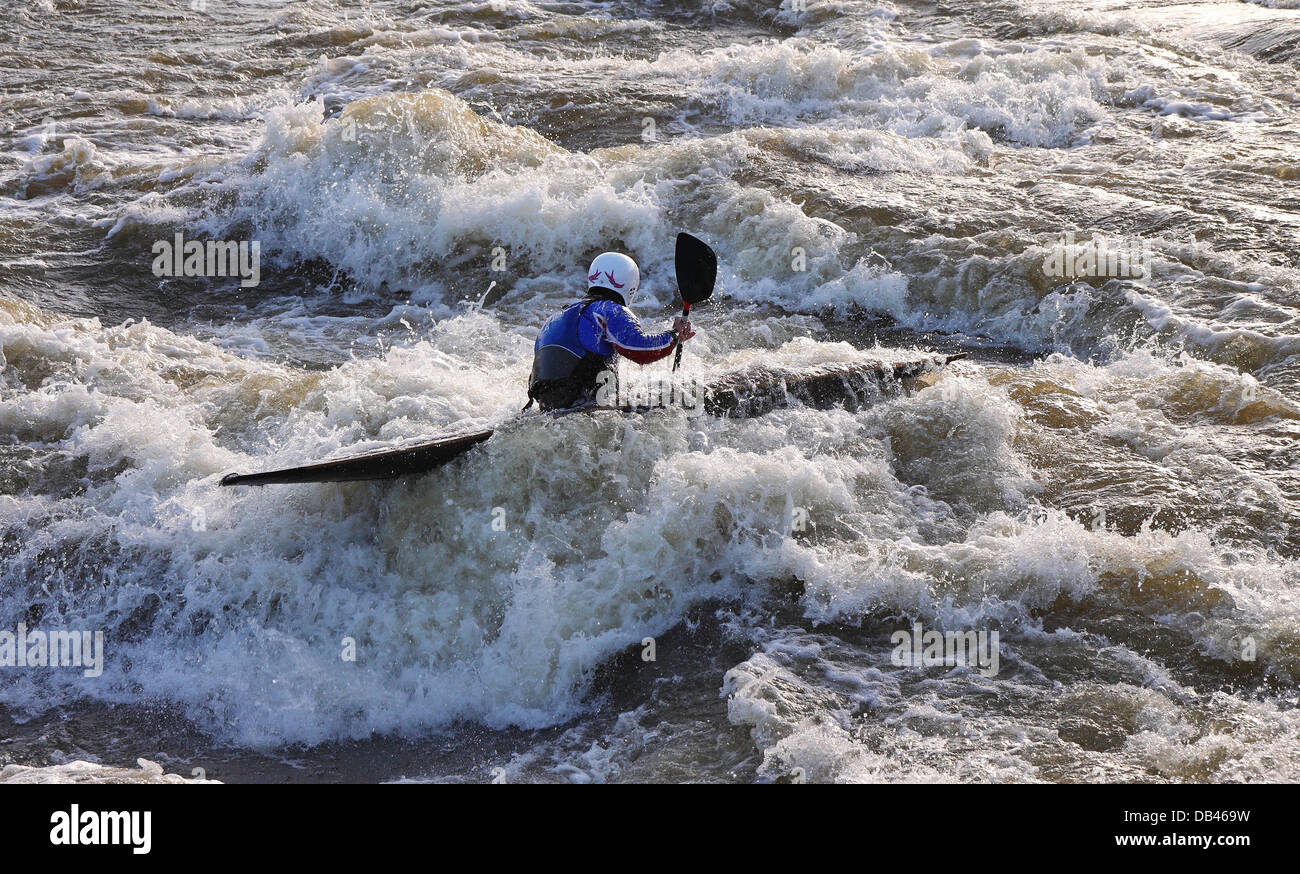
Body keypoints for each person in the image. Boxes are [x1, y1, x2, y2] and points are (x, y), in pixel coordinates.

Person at [526, 252, 695, 411]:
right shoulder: (609, 309)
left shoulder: (557, 317)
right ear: (631, 284)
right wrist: (674, 335)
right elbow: (640, 350)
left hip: (548, 406)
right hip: (578, 402)